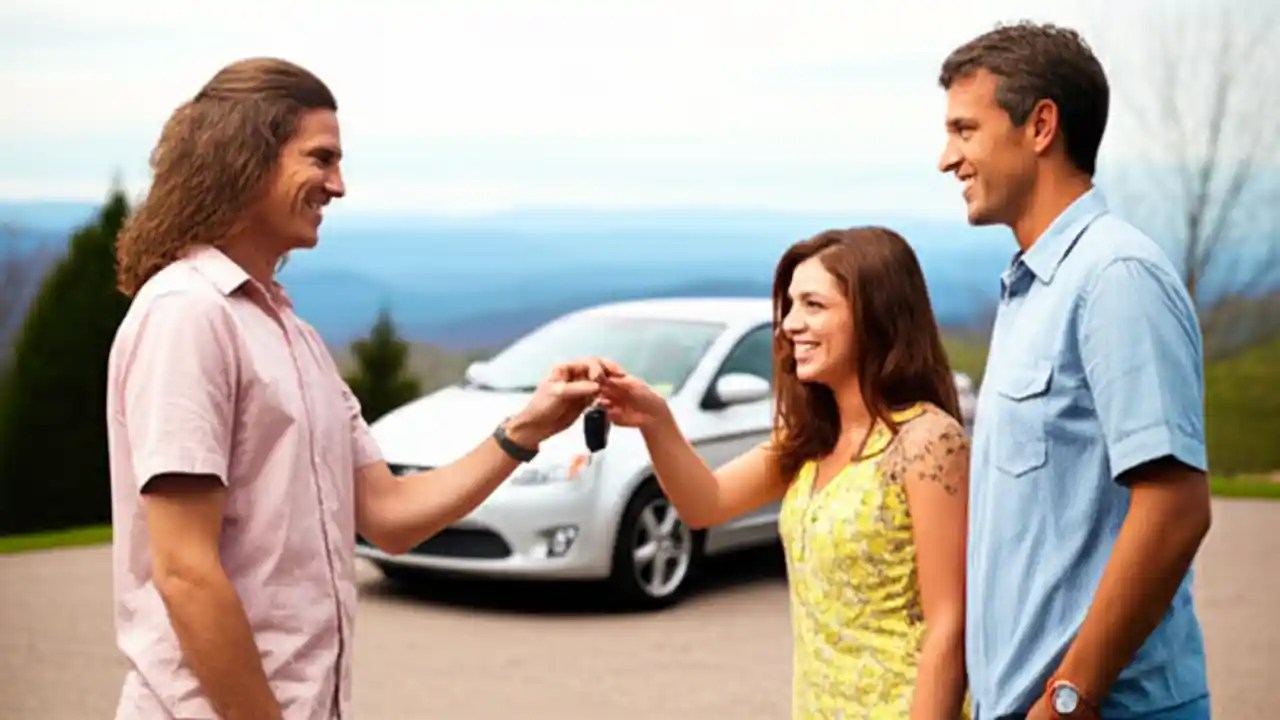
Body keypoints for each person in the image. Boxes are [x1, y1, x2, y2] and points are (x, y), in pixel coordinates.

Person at [105, 57, 606, 720]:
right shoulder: (187, 314)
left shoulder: (293, 337)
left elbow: (390, 515)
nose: (338, 186)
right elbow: (185, 572)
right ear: (243, 157)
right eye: (321, 159)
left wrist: (526, 429)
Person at [936, 22, 1213, 720]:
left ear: (1041, 126)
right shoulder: (1032, 290)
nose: (948, 158)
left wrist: (1069, 698)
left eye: (965, 130)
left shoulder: (1114, 276)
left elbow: (1175, 507)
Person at [595, 227, 972, 719]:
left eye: (813, 305)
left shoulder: (927, 440)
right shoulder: (809, 442)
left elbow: (950, 623)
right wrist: (654, 419)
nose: (791, 324)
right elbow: (703, 503)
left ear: (876, 314)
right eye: (790, 306)